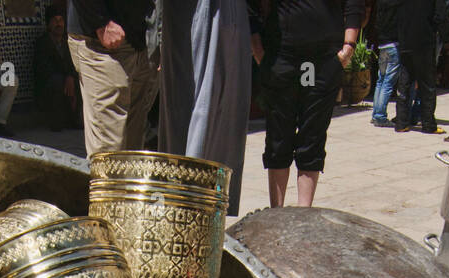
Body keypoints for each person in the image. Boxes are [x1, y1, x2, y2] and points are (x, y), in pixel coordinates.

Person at [254, 0, 364, 207]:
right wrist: (259, 52)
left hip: (322, 61)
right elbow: (251, 7)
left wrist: (347, 49)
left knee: (312, 136)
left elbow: (354, 4)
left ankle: (304, 215)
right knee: (279, 138)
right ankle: (276, 214)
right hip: (282, 58)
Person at [159, 0, 252, 215]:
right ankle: (186, 206)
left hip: (229, 13)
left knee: (225, 108)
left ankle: (210, 208)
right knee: (196, 106)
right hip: (197, 12)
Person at [68, 0, 161, 156]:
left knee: (133, 150)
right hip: (102, 43)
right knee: (109, 151)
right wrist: (101, 22)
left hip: (137, 39)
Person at [393, 0, 449, 134]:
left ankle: (401, 123)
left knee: (405, 82)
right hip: (424, 40)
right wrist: (446, 36)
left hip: (406, 40)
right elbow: (440, 14)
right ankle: (428, 124)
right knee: (427, 85)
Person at [34, 7, 81, 131]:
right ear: (49, 24)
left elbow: (74, 63)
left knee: (79, 80)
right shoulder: (42, 43)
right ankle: (57, 122)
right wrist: (66, 78)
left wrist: (70, 76)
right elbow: (44, 70)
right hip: (48, 85)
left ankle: (76, 119)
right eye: (55, 21)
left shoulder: (68, 42)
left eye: (61, 20)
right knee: (57, 81)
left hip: (66, 79)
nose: (58, 24)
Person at [369, 0, 402, 128]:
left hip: (383, 44)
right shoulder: (399, 5)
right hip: (394, 45)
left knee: (380, 80)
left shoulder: (381, 3)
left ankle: (375, 114)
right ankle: (380, 116)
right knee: (388, 82)